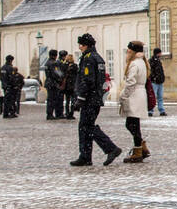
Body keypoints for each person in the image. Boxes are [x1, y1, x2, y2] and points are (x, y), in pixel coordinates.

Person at [70, 33, 122, 166]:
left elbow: (87, 80)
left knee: (87, 126)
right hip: (96, 97)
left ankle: (110, 148)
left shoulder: (88, 58)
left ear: (86, 45)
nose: (80, 47)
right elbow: (102, 81)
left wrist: (80, 98)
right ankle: (85, 156)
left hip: (89, 98)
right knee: (86, 126)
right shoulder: (98, 58)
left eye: (81, 45)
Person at [119, 41, 151, 163]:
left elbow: (131, 83)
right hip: (140, 94)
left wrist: (123, 95)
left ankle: (139, 149)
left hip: (134, 95)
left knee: (131, 124)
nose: (127, 53)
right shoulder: (142, 63)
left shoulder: (133, 64)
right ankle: (141, 147)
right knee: (134, 123)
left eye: (129, 51)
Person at [43, 49, 65, 120]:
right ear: (55, 56)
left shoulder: (47, 63)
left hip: (49, 82)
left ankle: (49, 113)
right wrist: (61, 78)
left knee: (50, 99)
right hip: (53, 83)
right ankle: (53, 114)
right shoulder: (53, 63)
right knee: (54, 99)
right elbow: (57, 73)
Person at [148, 48, 167, 117]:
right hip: (154, 82)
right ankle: (150, 111)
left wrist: (162, 78)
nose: (161, 54)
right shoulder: (152, 61)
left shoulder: (158, 60)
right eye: (160, 53)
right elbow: (151, 71)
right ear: (157, 53)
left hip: (159, 82)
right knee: (153, 97)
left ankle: (161, 110)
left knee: (160, 97)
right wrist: (153, 78)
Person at [61, 51, 77, 118]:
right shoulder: (75, 66)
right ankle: (71, 113)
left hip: (67, 85)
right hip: (72, 85)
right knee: (73, 100)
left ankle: (67, 113)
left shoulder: (64, 66)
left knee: (67, 100)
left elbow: (62, 75)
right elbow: (77, 75)